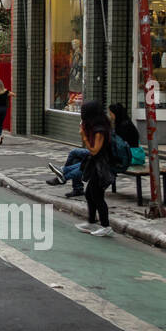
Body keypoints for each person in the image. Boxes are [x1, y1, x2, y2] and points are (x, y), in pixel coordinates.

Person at [75, 101, 115, 237]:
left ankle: (106, 226)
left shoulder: (99, 131)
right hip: (97, 164)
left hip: (102, 166)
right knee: (89, 194)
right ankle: (91, 221)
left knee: (97, 195)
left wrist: (84, 137)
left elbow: (94, 151)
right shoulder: (95, 127)